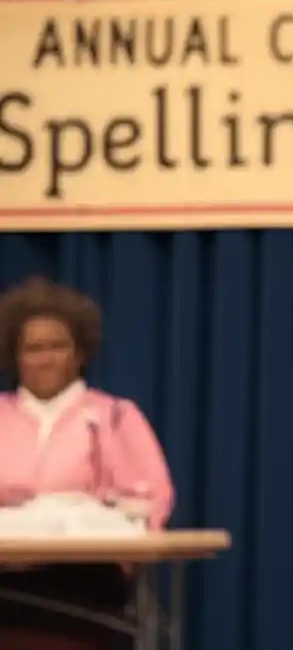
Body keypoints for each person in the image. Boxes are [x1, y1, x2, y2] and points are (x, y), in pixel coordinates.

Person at [0, 276, 174, 650]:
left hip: (83, 579)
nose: (45, 358)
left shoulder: (114, 417)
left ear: (79, 354)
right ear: (16, 357)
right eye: (32, 348)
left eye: (57, 346)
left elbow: (147, 502)